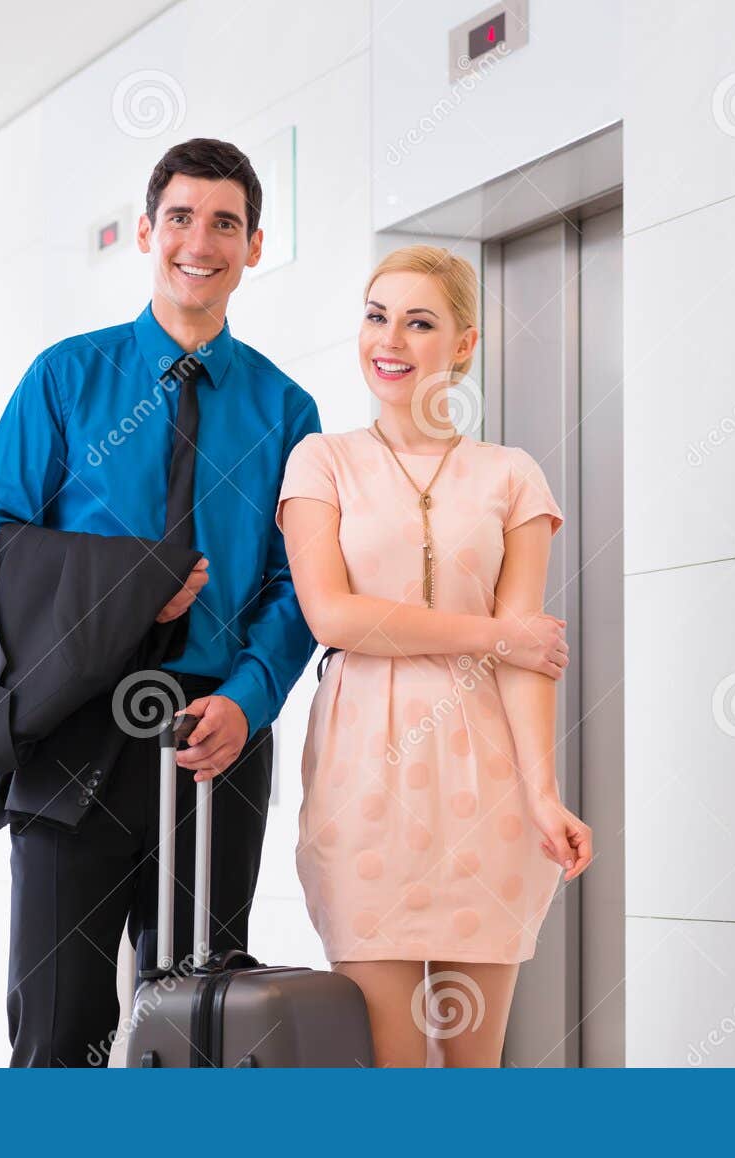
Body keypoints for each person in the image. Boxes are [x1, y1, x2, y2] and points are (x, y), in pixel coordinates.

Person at [0, 138, 322, 1066]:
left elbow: (298, 586)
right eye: (182, 218)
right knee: (58, 1032)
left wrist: (246, 700)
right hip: (76, 727)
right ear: (148, 232)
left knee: (197, 1033)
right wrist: (128, 584)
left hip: (214, 737)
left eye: (226, 223)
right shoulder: (67, 378)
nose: (201, 240)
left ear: (255, 245)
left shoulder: (286, 409)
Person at [275, 244, 594, 1067]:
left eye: (420, 322)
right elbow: (333, 615)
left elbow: (532, 656)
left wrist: (544, 793)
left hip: (484, 781)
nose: (391, 339)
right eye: (377, 315)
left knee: (472, 1073)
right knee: (389, 1069)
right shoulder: (322, 460)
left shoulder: (512, 475)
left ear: (463, 346)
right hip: (363, 776)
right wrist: (492, 633)